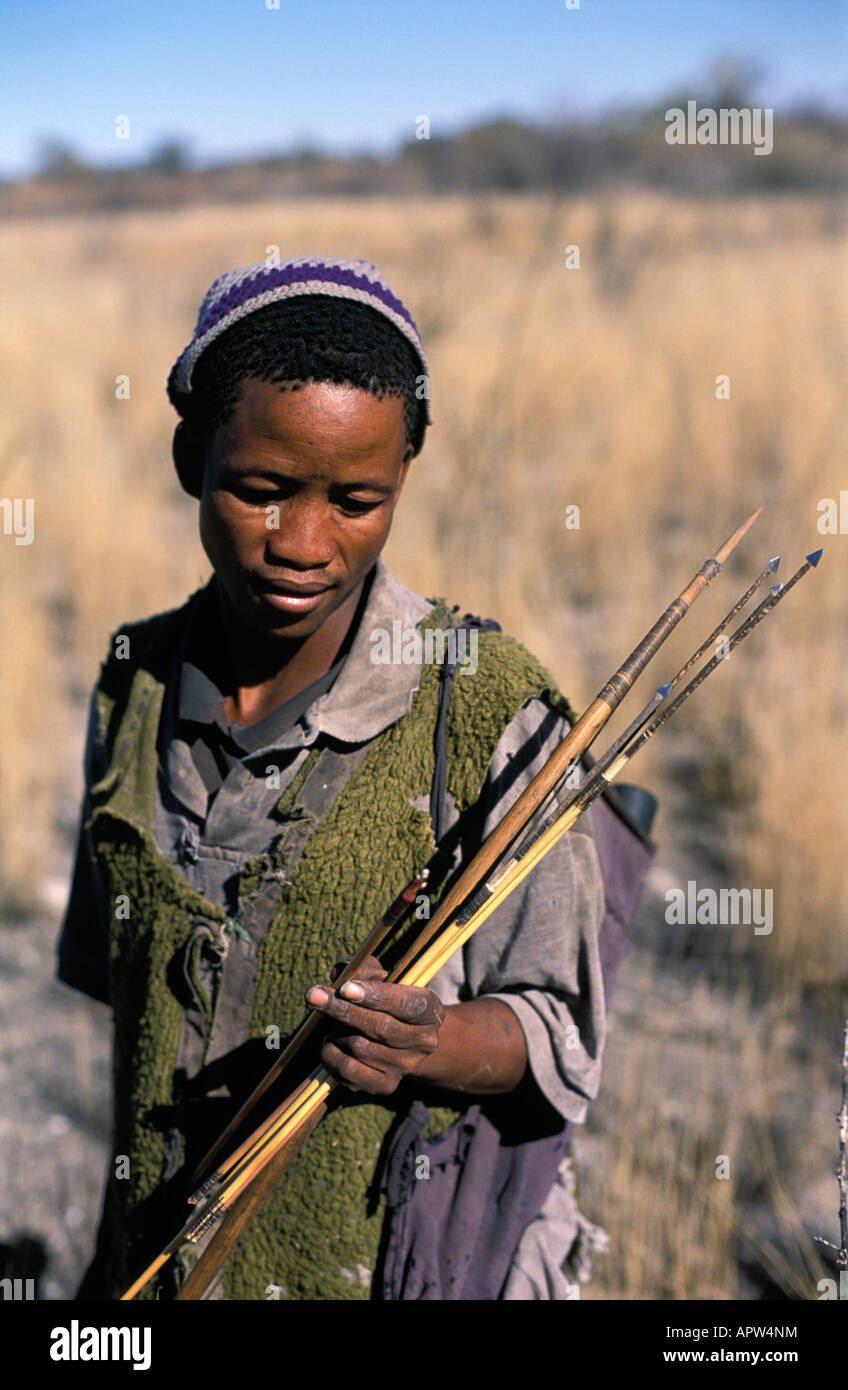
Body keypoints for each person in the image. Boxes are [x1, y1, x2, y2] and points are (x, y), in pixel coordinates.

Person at [56, 257, 609, 1302]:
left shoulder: (485, 706)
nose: (304, 545)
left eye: (359, 500)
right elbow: (119, 990)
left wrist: (436, 1041)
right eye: (260, 490)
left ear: (405, 472)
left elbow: (559, 1032)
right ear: (190, 457)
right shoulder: (134, 679)